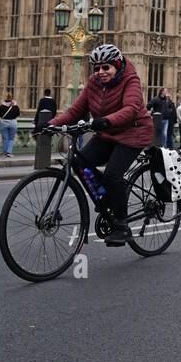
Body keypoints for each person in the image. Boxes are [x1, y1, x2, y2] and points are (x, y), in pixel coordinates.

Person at [49, 43, 154, 246]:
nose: (101, 72)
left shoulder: (130, 80)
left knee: (112, 175)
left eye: (106, 67)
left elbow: (131, 108)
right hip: (108, 133)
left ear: (117, 66)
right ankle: (107, 198)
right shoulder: (94, 83)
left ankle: (122, 226)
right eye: (96, 68)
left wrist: (106, 120)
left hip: (134, 132)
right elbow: (75, 111)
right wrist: (50, 124)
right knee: (80, 162)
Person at [0, 93, 21, 157]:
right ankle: (9, 152)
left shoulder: (1, 106)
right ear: (12, 98)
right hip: (13, 122)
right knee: (11, 138)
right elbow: (18, 114)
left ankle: (5, 152)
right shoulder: (15, 106)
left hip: (3, 122)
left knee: (5, 138)